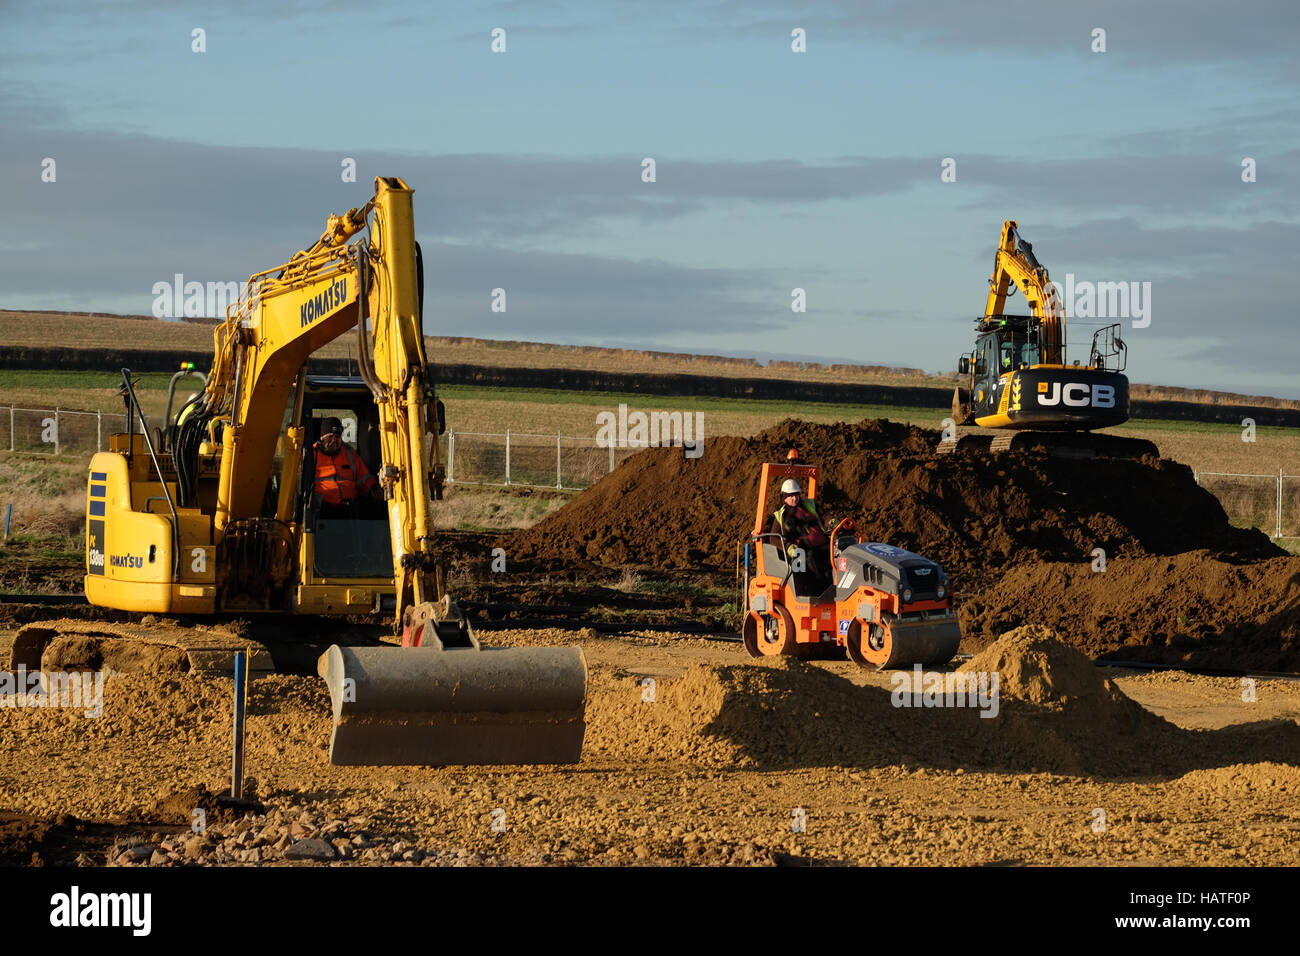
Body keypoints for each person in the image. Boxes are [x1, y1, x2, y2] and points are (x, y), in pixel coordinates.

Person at [768, 478, 831, 592]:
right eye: (791, 496)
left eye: (796, 495)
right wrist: (788, 547)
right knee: (810, 558)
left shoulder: (810, 504)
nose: (794, 498)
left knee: (839, 553)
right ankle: (817, 590)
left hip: (823, 544)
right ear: (784, 498)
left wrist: (830, 521)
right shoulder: (780, 516)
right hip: (802, 549)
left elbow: (825, 515)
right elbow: (773, 538)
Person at [313, 416, 381, 513]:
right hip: (322, 511)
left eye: (337, 437)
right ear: (322, 437)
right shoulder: (311, 455)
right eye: (330, 437)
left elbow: (364, 478)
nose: (334, 441)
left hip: (349, 510)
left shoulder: (350, 454)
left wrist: (373, 488)